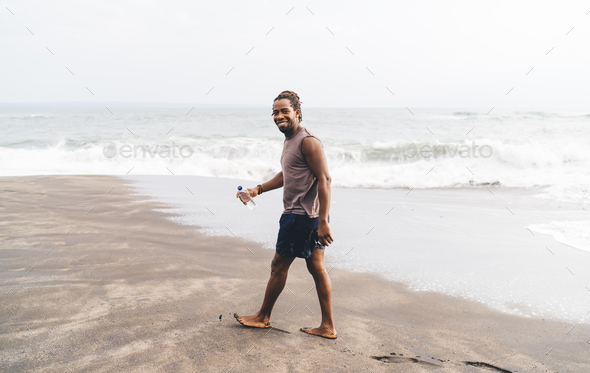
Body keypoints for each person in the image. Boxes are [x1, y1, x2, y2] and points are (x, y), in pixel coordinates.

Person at [234, 90, 336, 339]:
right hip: (307, 217)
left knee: (278, 266)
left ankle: (262, 317)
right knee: (317, 268)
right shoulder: (291, 140)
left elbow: (325, 179)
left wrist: (323, 221)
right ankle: (328, 326)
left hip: (301, 217)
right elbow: (287, 173)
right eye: (275, 112)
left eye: (284, 111)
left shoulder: (308, 141)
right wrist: (257, 189)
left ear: (297, 113)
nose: (279, 116)